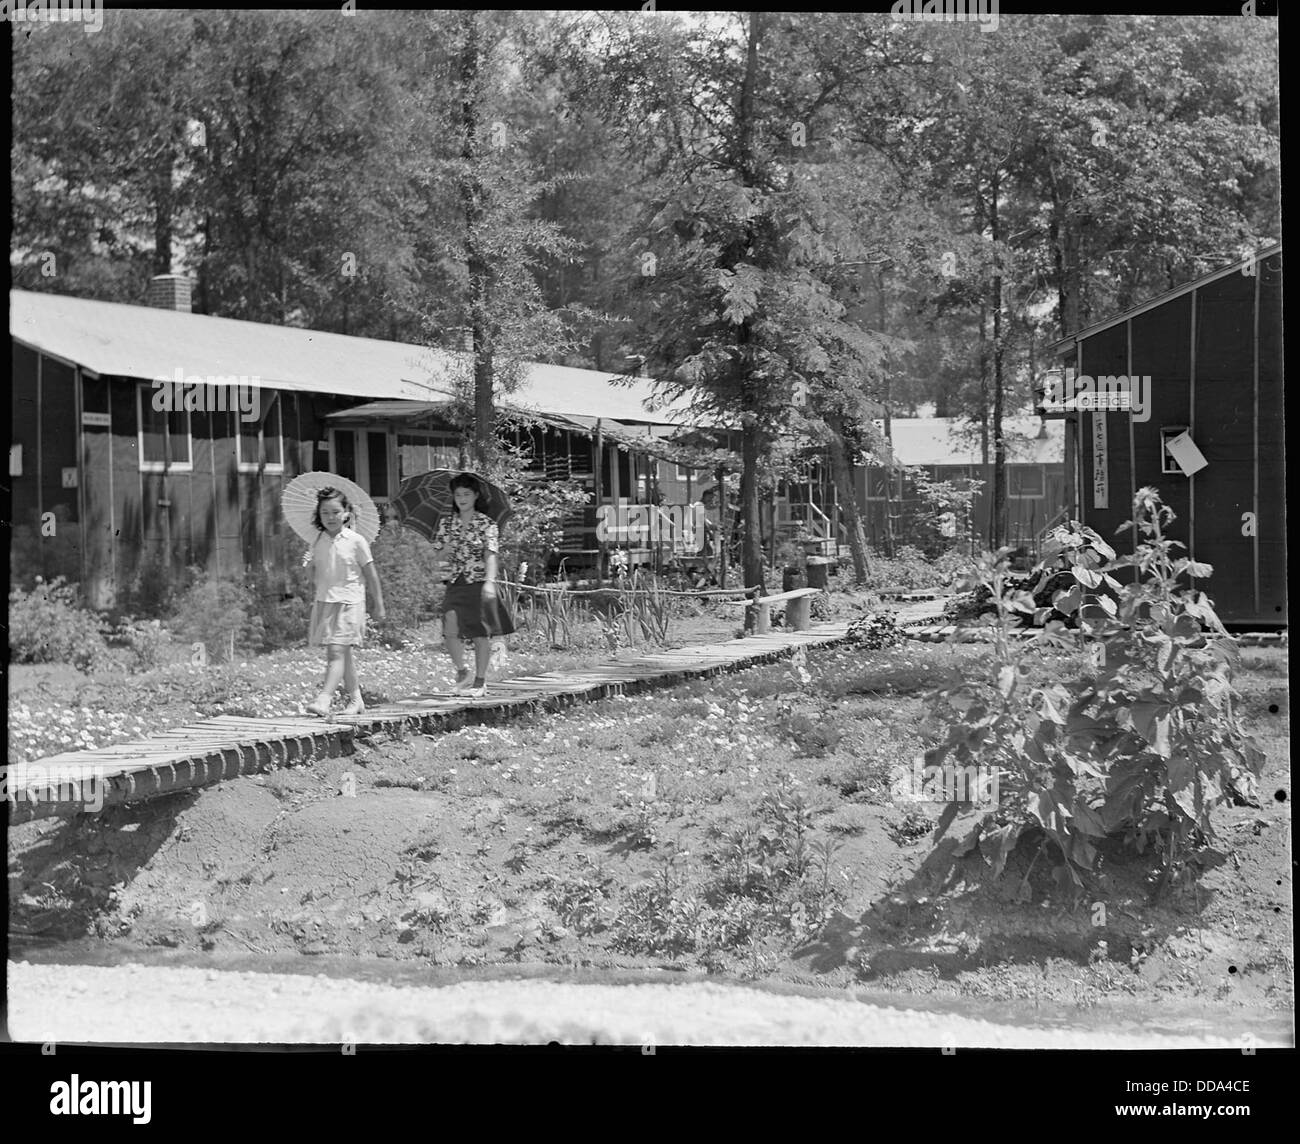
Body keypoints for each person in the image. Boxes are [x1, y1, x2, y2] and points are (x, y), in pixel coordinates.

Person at [304, 487, 385, 717]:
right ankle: (356, 699)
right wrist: (308, 567)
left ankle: (324, 699)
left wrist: (379, 604)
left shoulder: (356, 540)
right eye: (324, 513)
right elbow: (315, 579)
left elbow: (371, 574)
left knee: (336, 652)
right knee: (343, 654)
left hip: (350, 603)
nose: (330, 517)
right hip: (326, 601)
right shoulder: (317, 541)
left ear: (346, 513)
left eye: (335, 512)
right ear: (318, 516)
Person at [431, 472, 514, 696]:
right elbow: (437, 555)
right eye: (458, 494)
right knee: (450, 629)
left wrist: (490, 582)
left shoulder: (487, 524)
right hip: (455, 581)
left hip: (477, 581)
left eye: (466, 494)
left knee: (480, 633)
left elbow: (491, 554)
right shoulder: (446, 523)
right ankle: (462, 671)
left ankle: (480, 681)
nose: (462, 498)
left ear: (476, 495)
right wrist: (444, 551)